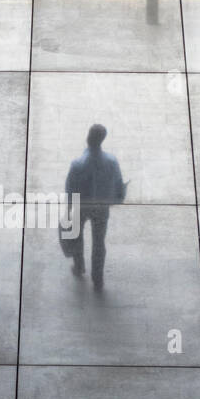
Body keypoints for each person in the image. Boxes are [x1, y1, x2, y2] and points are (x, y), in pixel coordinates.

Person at [65, 124, 125, 291]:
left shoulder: (77, 164)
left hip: (81, 207)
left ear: (88, 138)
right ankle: (97, 278)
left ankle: (79, 266)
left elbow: (70, 189)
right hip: (101, 207)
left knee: (76, 236)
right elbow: (118, 184)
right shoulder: (112, 162)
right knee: (99, 241)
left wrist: (69, 209)